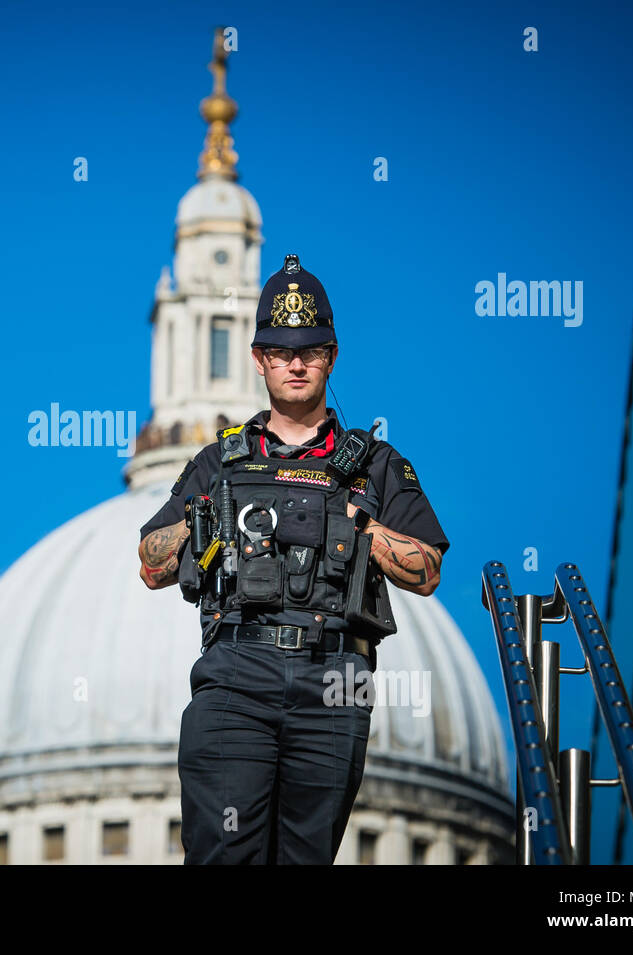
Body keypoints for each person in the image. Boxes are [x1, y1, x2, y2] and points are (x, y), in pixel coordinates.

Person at [136, 253, 450, 864]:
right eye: (281, 352)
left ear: (331, 356)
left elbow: (427, 571)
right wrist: (205, 518)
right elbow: (150, 566)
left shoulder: (375, 466)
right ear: (260, 360)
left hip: (335, 679)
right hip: (236, 674)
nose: (296, 363)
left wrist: (357, 521)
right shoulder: (218, 464)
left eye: (309, 350)